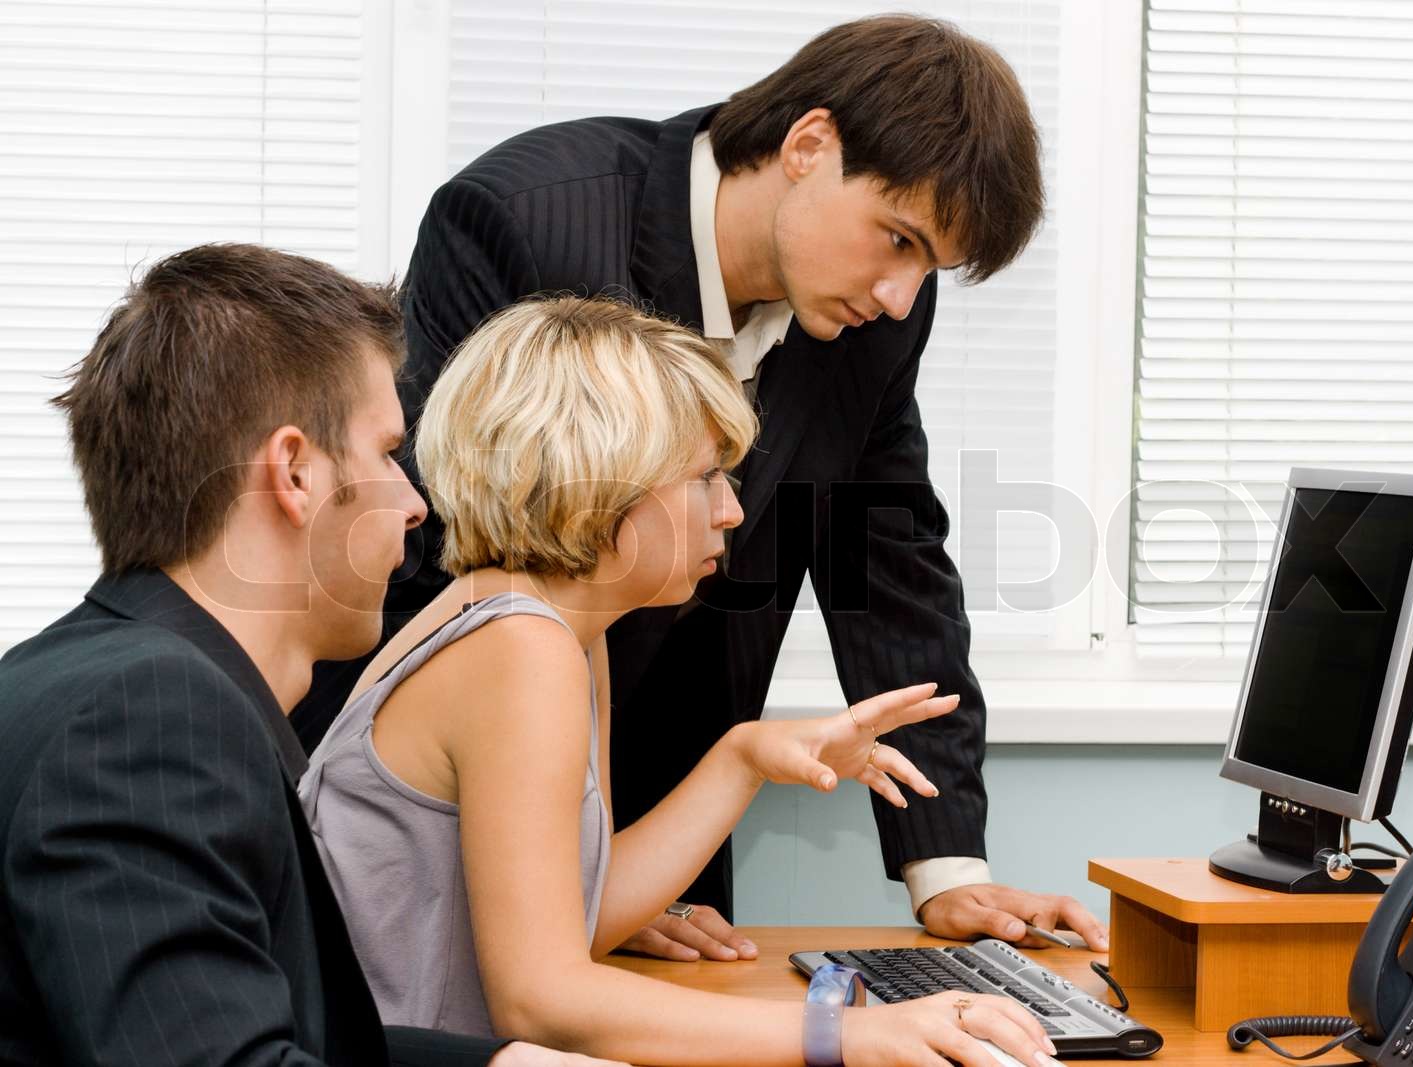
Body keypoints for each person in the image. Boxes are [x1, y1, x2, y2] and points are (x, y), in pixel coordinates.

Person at [292, 14, 1110, 961]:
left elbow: (891, 562)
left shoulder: (877, 316)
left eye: (927, 266)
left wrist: (950, 873)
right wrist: (557, 880)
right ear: (809, 144)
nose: (899, 293)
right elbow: (434, 538)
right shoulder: (525, 216)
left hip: (662, 826)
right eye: (898, 238)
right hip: (442, 820)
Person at [300, 294, 1058, 1067]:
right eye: (704, 477)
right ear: (599, 482)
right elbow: (543, 998)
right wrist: (848, 1035)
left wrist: (742, 758)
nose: (730, 510)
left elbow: (575, 918)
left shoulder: (546, 626)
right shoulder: (518, 648)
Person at [0, 244, 619, 1067]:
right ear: (294, 471)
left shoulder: (81, 677)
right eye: (387, 453)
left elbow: (276, 1038)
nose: (414, 500)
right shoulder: (151, 717)